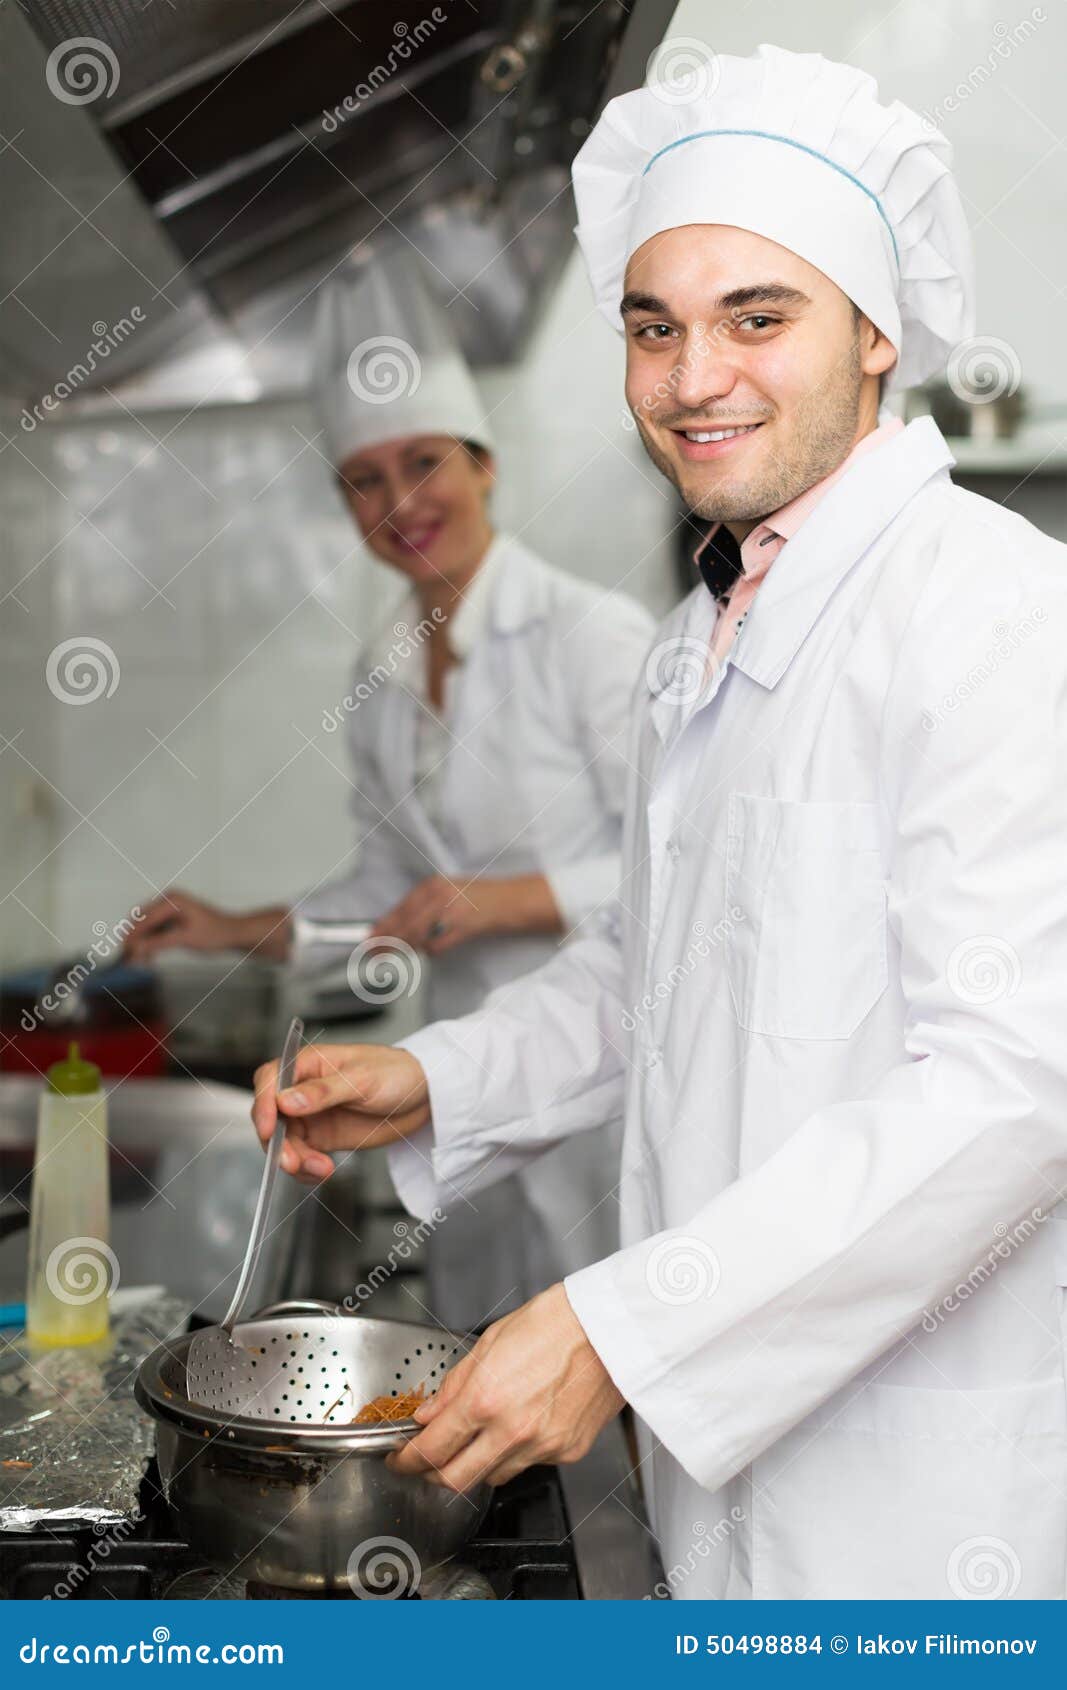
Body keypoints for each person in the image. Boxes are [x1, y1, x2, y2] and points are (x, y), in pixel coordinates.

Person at [251, 43, 1067, 1598]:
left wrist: (631, 1325)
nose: (694, 378)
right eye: (653, 326)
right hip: (723, 1487)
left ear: (876, 330)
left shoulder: (992, 613)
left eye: (757, 317)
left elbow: (1011, 1090)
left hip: (923, 1513)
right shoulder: (704, 639)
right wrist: (434, 1074)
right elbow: (654, 976)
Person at [131, 247, 654, 1331]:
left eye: (423, 462)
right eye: (364, 479)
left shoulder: (589, 637)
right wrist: (224, 925)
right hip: (458, 1091)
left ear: (485, 466)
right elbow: (382, 887)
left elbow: (685, 866)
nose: (399, 502)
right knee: (477, 1362)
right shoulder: (377, 673)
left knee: (615, 1372)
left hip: (612, 1086)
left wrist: (502, 900)